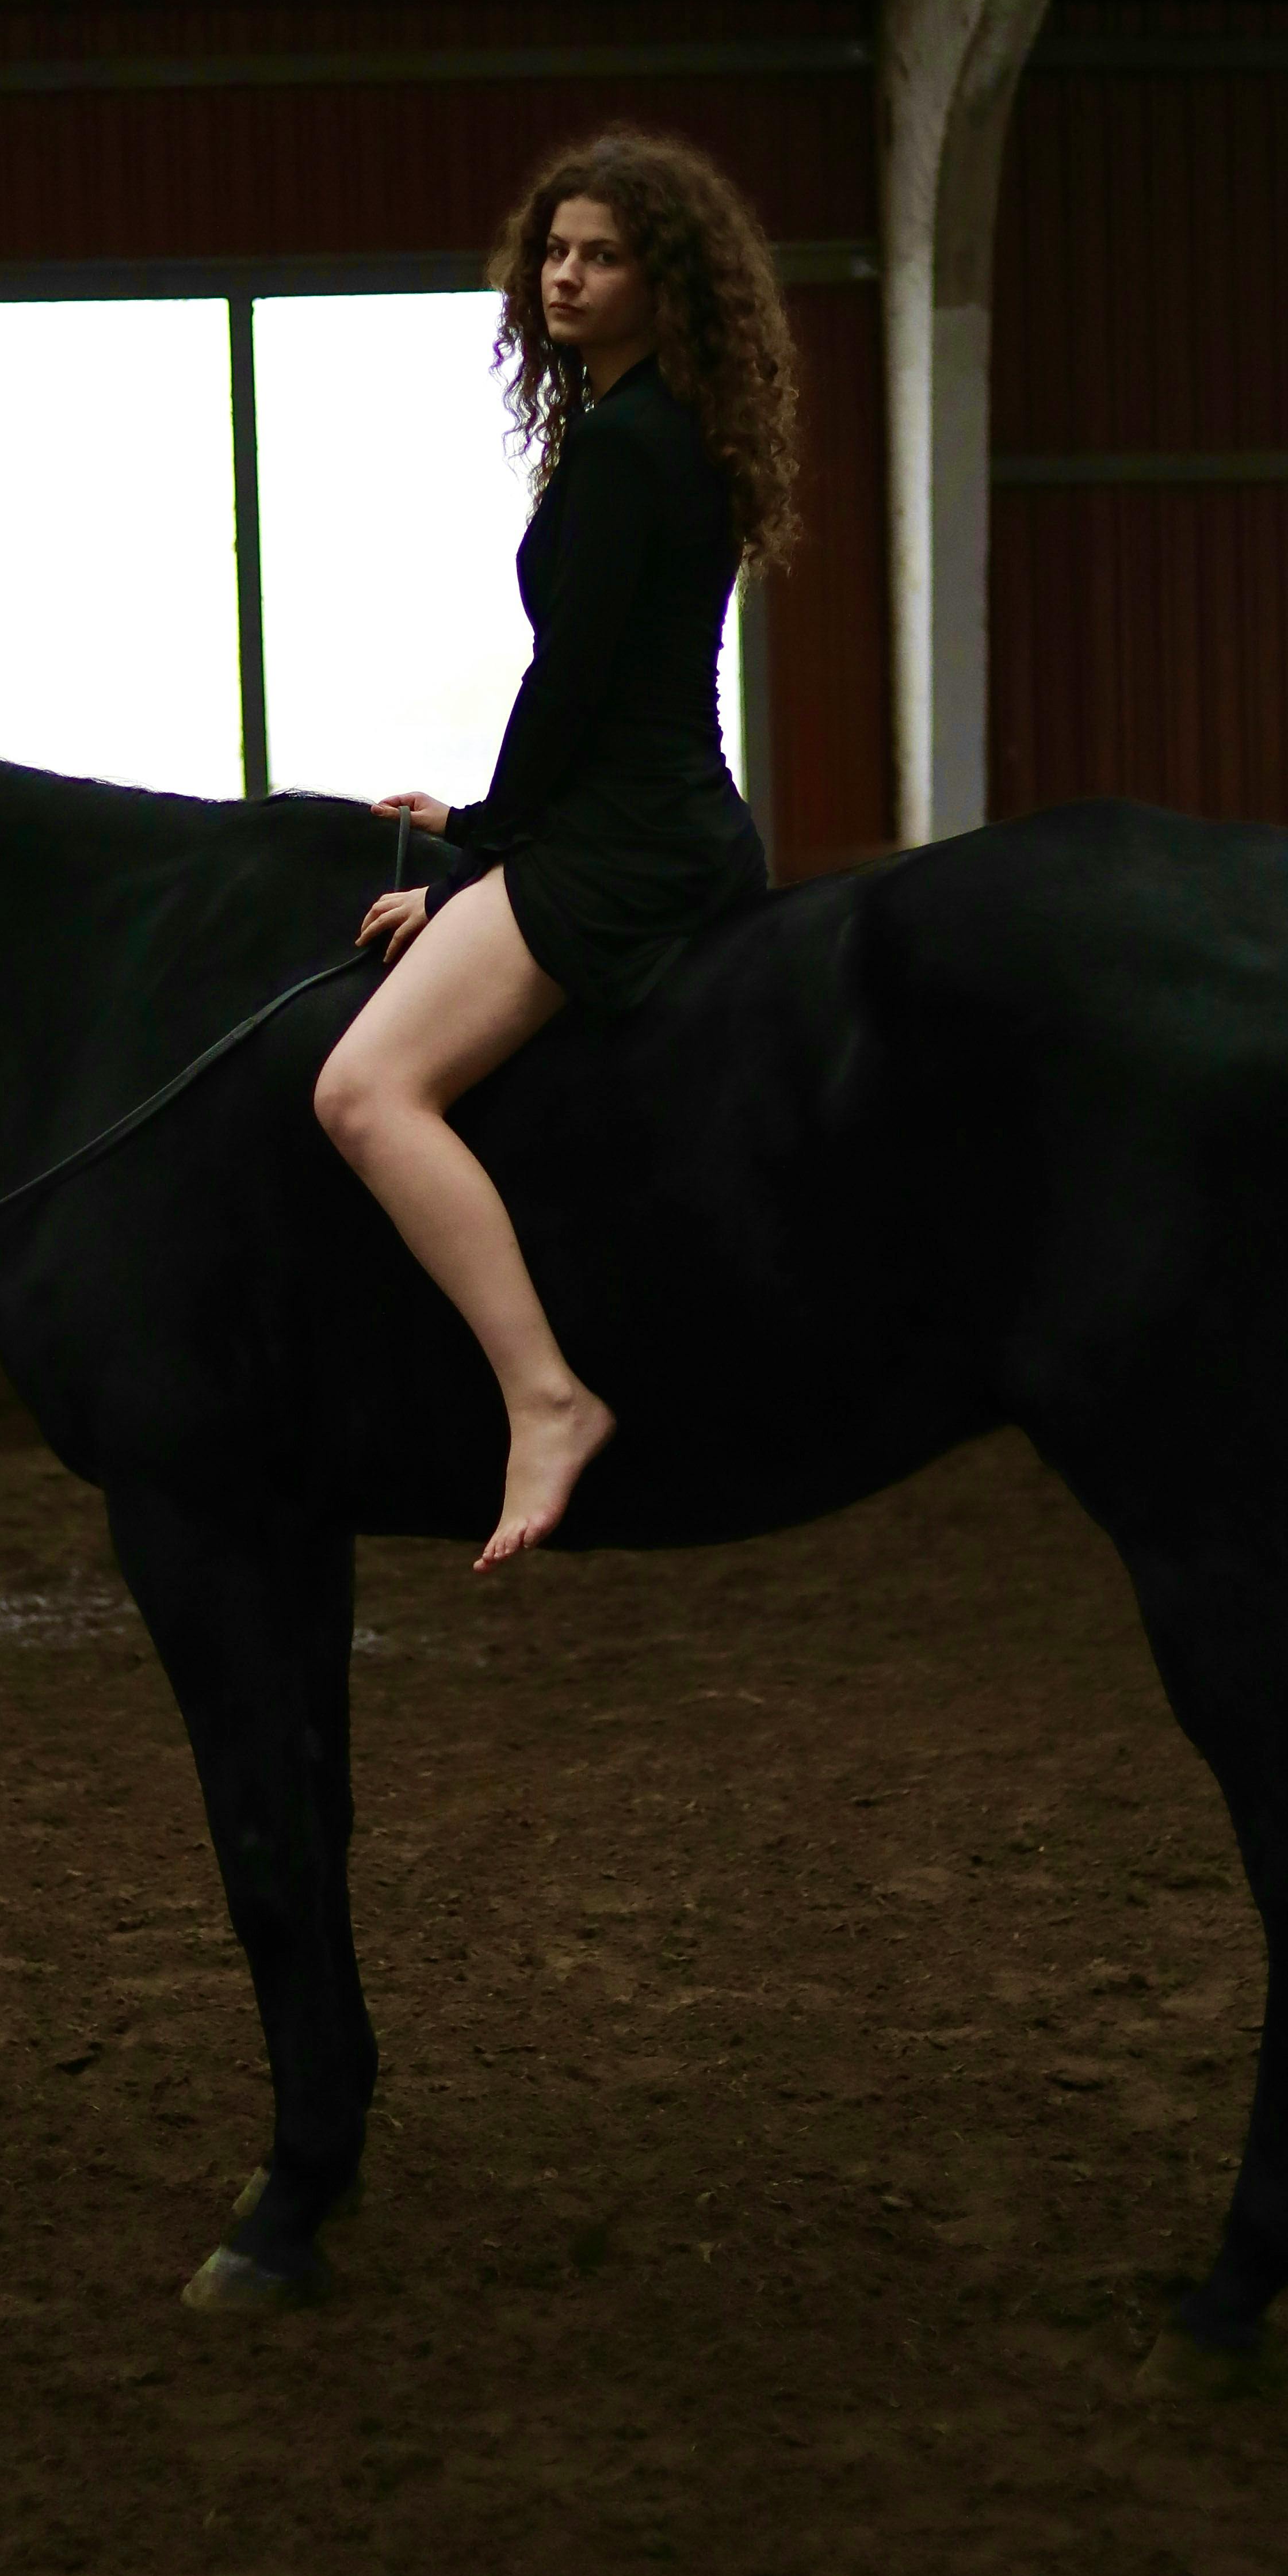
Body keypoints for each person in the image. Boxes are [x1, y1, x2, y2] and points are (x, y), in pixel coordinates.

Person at [312, 124, 798, 1572]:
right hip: (655, 814)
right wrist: (475, 843)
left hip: (625, 838)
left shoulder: (631, 443)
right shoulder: (660, 426)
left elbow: (569, 688)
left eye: (601, 256)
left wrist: (472, 857)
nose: (564, 277)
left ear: (668, 283)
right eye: (554, 253)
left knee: (363, 1092)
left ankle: (545, 1395)